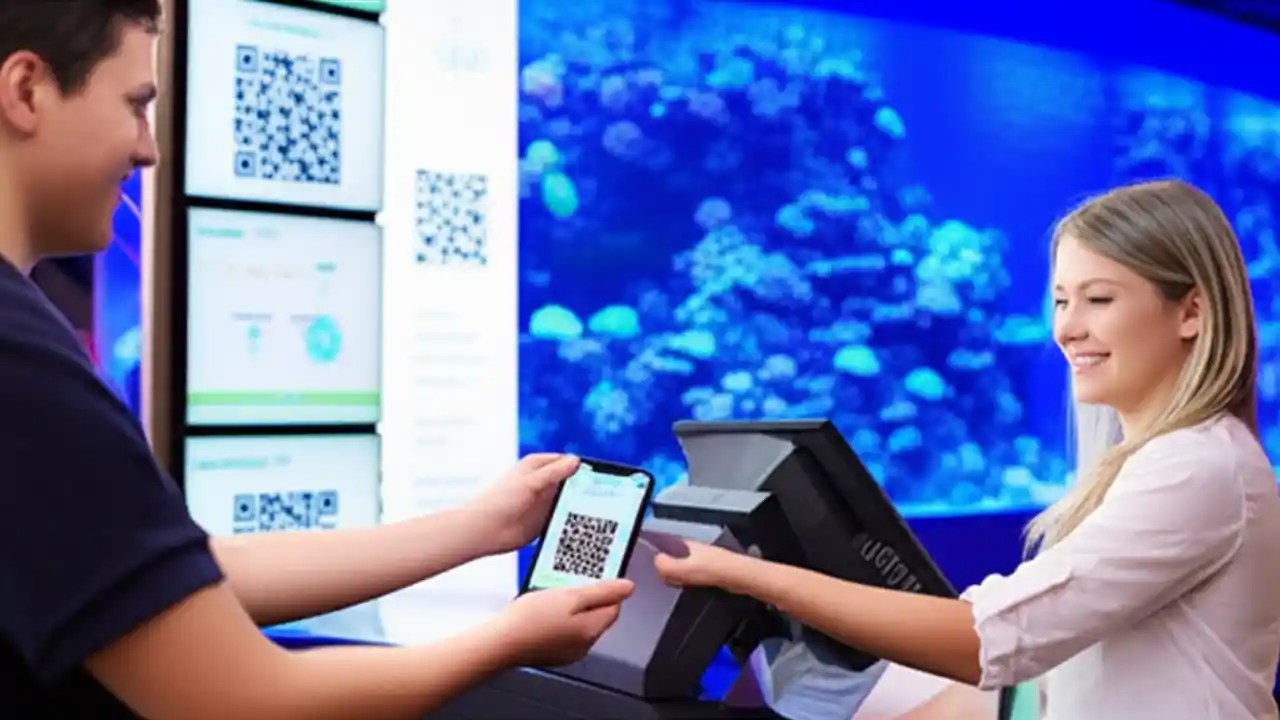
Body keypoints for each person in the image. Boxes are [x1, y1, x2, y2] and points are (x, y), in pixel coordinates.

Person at [0, 2, 632, 718]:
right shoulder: (19, 359)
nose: (147, 149)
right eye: (135, 105)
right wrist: (510, 640)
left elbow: (177, 575)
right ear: (26, 91)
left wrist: (485, 527)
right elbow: (243, 701)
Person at [656, 179, 1280, 719]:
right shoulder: (1157, 462)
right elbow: (1028, 684)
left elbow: (987, 642)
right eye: (1061, 301)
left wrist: (749, 574)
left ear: (1191, 312)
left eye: (1099, 299)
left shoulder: (1194, 467)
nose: (1067, 328)